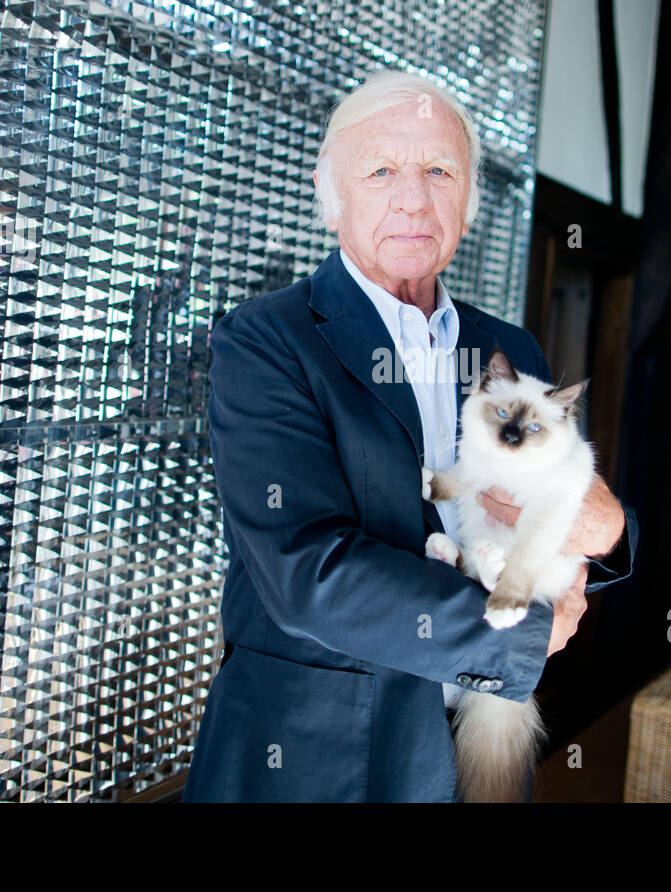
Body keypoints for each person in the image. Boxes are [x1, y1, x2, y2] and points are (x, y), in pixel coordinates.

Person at [181, 71, 637, 802]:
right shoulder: (267, 339)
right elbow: (307, 572)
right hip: (315, 759)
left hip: (474, 752)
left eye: (439, 170)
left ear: (467, 203)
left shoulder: (507, 346)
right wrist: (514, 637)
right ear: (333, 198)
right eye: (382, 170)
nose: (414, 198)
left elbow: (562, 495)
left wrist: (612, 530)